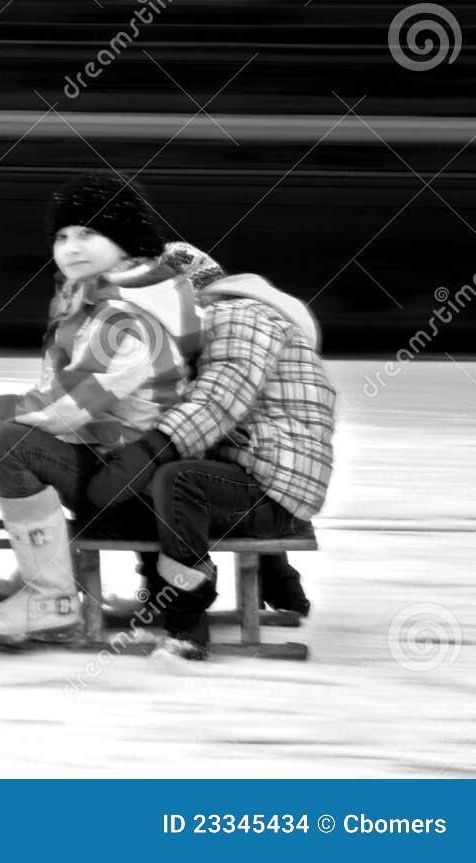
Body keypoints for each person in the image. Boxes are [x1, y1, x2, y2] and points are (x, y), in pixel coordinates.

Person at [0, 172, 202, 643]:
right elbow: (57, 403)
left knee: (13, 443)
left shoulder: (123, 320)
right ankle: (43, 573)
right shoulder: (90, 298)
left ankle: (50, 598)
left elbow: (61, 408)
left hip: (134, 482)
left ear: (126, 241)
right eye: (62, 236)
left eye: (89, 232)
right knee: (5, 436)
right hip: (117, 463)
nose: (71, 246)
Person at [82, 258, 336, 658]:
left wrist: (150, 448)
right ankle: (160, 597)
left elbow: (220, 398)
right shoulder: (239, 320)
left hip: (270, 491)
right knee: (160, 477)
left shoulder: (237, 316)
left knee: (175, 479)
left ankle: (186, 623)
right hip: (274, 484)